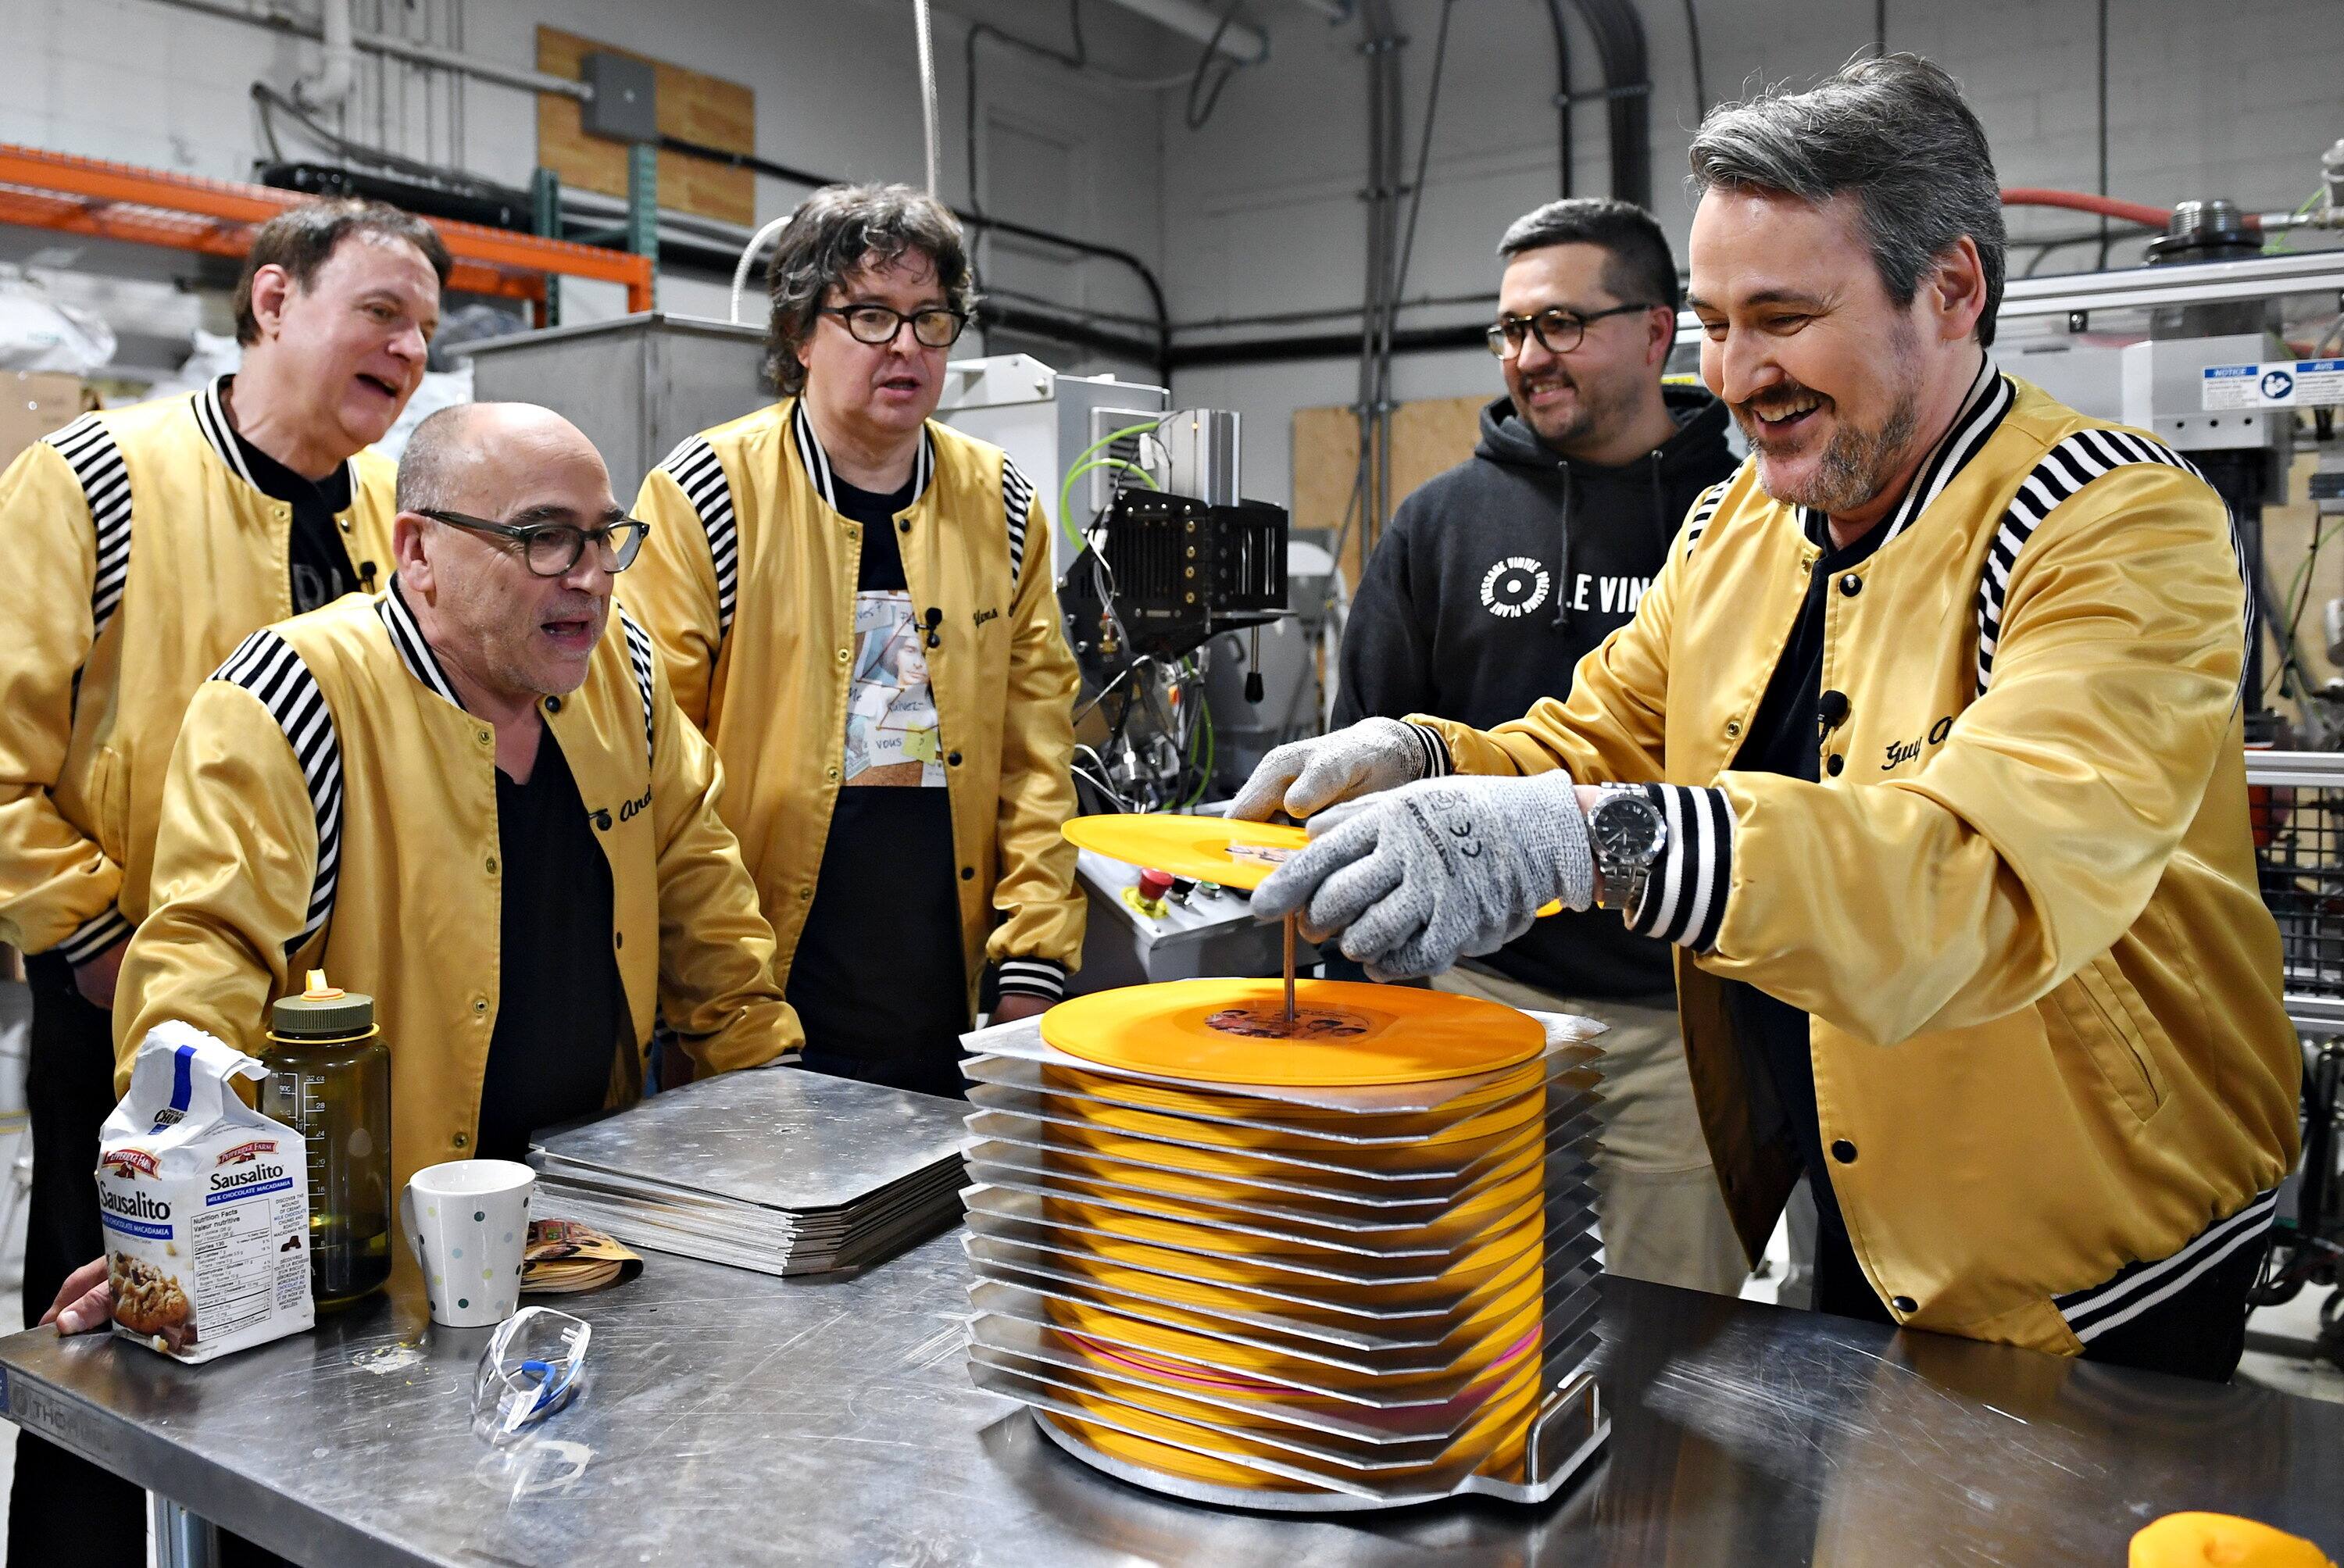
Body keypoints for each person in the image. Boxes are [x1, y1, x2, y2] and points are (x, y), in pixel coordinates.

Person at [1233, 55, 2299, 1381]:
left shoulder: (2114, 527)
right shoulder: (1742, 522)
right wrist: (1424, 759)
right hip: (1861, 1194)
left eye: (1784, 318)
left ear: (1953, 288)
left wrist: (1589, 842)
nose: (1736, 377)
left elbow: (1976, 877)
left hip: (2093, 1252)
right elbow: (1598, 740)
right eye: (1715, 327)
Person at [42, 402, 798, 1341]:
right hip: (372, 1281)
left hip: (581, 1251)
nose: (595, 577)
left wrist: (788, 1140)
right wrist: (189, 1212)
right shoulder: (294, 695)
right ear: (419, 551)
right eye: (547, 540)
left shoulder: (625, 678)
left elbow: (711, 920)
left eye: (606, 537)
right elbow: (199, 977)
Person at [0, 197, 446, 1565]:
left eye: (429, 328)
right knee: (121, 1358)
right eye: (382, 311)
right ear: (272, 303)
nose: (412, 349)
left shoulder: (398, 516)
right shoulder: (95, 479)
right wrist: (91, 935)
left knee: (332, 1342)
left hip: (345, 1025)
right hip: (135, 999)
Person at [1333, 197, 1744, 1297]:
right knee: (1459, 1308)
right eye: (1511, 329)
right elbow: (1383, 735)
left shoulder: (1746, 518)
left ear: (1659, 331)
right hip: (1480, 995)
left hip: (1683, 1022)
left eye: (1561, 324)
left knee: (1680, 1338)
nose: (1529, 356)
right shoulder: (1440, 521)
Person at [624, 183, 1084, 1100]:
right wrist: (727, 1010)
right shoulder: (704, 494)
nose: (906, 345)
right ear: (801, 334)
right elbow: (655, 773)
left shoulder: (1002, 505)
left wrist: (1032, 963)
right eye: (870, 315)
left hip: (944, 1000)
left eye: (930, 319)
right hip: (759, 997)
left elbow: (1038, 755)